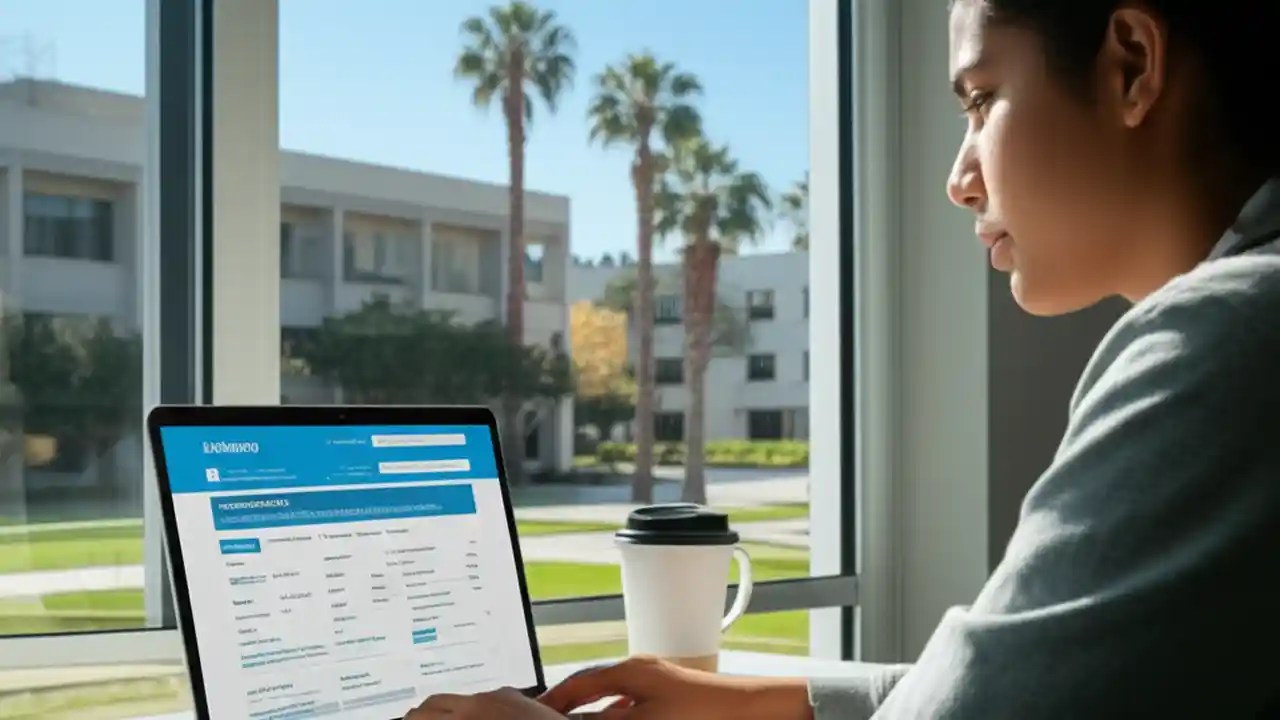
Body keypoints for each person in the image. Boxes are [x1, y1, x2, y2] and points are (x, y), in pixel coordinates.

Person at [406, 0, 1280, 716]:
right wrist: (759, 700)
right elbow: (1024, 684)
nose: (960, 176)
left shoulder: (1227, 336)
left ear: (1131, 65)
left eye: (980, 100)